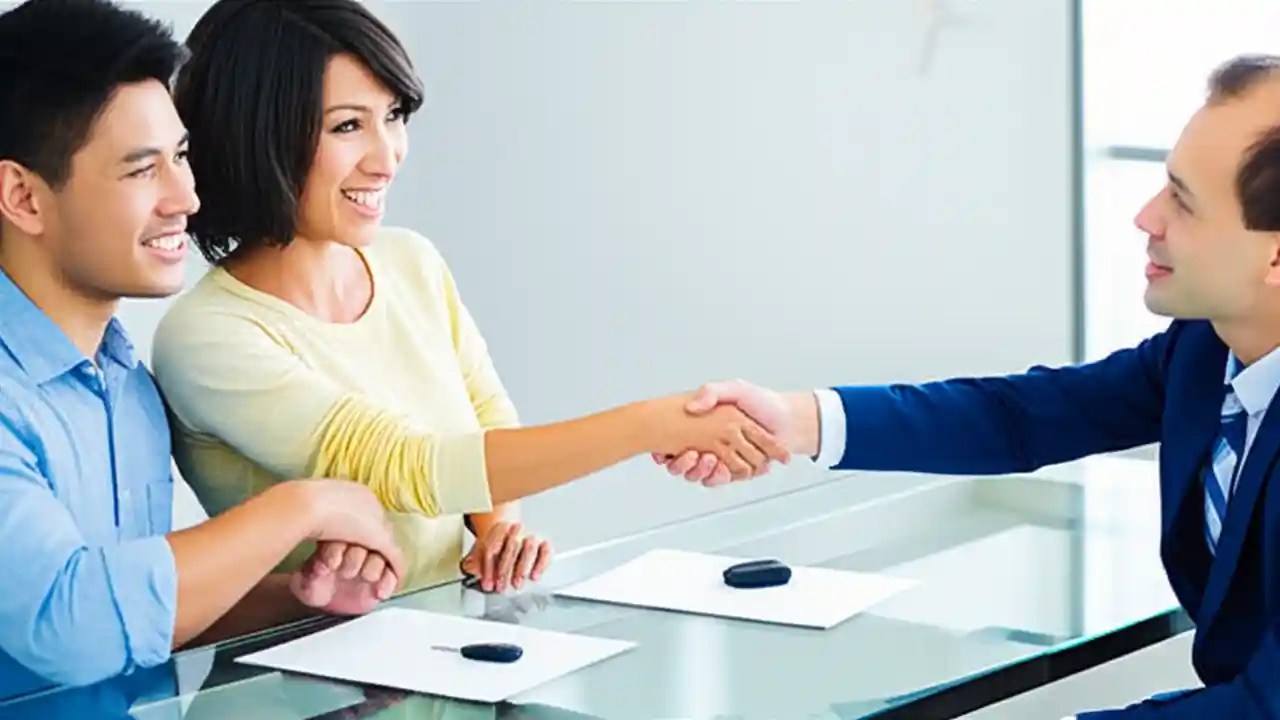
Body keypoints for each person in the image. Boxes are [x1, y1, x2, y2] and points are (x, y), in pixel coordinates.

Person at [663, 55, 1280, 719]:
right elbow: (1021, 416)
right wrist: (797, 420)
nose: (1146, 217)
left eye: (1184, 202)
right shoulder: (1203, 348)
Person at [150, 0, 789, 596]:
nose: (387, 157)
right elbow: (409, 467)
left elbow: (483, 419)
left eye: (394, 117)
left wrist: (496, 529)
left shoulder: (410, 262)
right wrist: (656, 422)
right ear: (256, 138)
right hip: (302, 671)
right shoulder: (209, 336)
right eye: (348, 126)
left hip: (444, 644)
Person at [0, 0, 405, 698]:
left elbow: (140, 616)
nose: (185, 198)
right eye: (141, 170)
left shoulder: (127, 387)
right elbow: (70, 627)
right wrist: (299, 509)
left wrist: (297, 597)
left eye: (181, 157)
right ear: (23, 197)